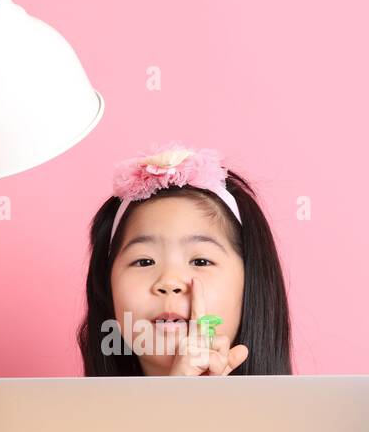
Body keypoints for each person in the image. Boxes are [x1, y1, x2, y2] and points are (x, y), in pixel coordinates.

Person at [75, 142, 294, 376]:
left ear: (251, 283)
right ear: (107, 288)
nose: (169, 282)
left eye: (200, 261)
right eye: (144, 261)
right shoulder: (74, 413)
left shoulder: (295, 412)